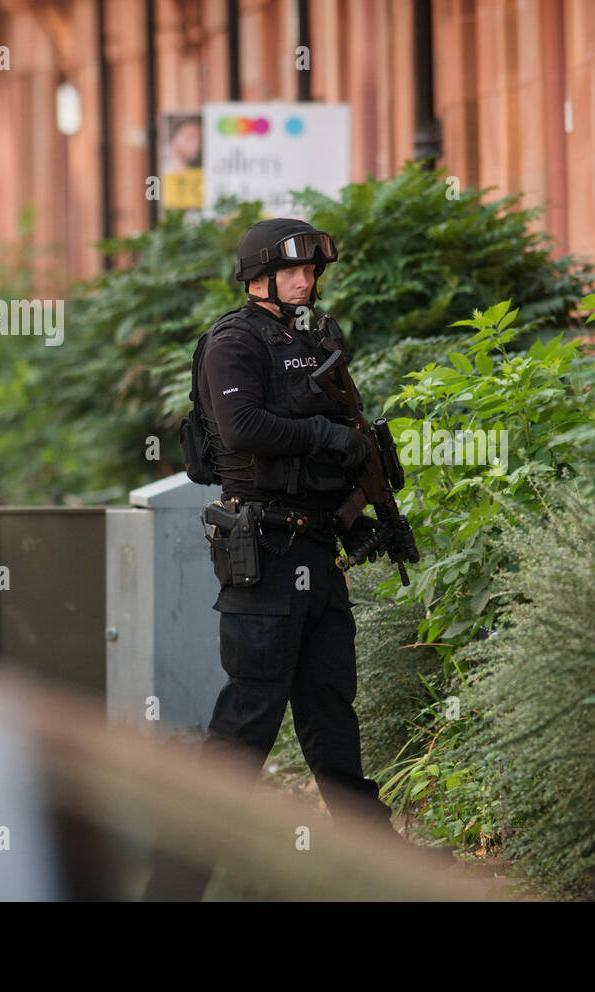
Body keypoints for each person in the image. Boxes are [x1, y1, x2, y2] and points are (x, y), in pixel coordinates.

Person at [194, 217, 454, 866]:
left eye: (312, 271)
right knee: (248, 719)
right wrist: (325, 439)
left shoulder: (321, 334)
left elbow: (350, 426)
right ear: (258, 278)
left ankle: (377, 860)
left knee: (332, 713)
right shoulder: (233, 341)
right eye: (293, 271)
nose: (306, 282)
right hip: (264, 550)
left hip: (317, 549)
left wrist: (360, 509)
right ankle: (182, 868)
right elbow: (243, 427)